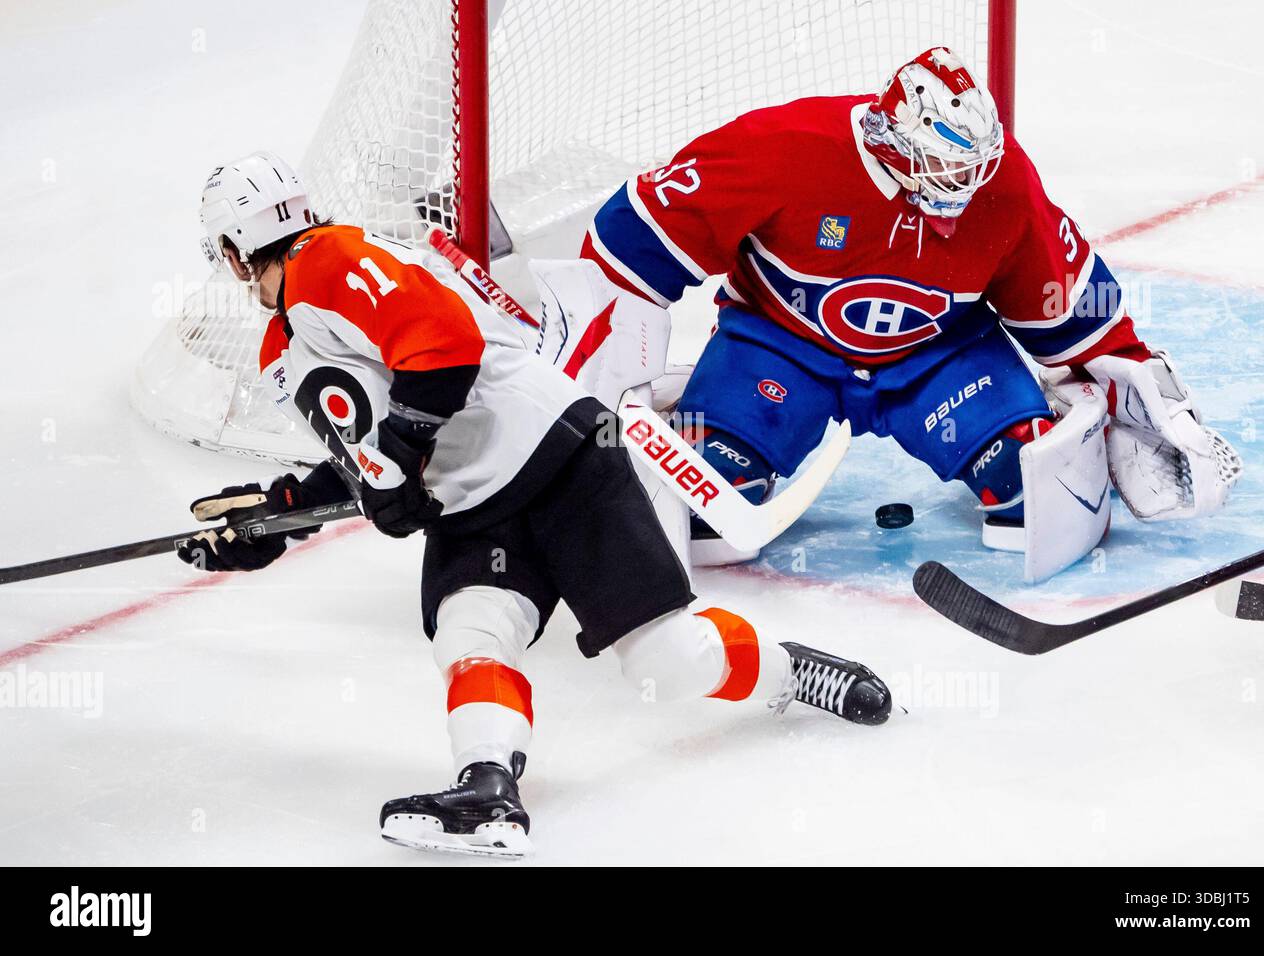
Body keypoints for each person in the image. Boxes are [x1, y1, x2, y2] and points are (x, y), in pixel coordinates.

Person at [178, 151, 892, 858]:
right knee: (472, 633)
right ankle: (488, 789)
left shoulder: (328, 263)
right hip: (474, 502)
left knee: (667, 664)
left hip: (557, 457)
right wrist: (273, 517)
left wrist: (399, 455)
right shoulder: (293, 337)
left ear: (236, 252)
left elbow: (444, 348)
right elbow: (369, 455)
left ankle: (794, 670)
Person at [572, 46, 1242, 582]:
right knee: (702, 506)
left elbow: (1063, 296)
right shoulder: (787, 147)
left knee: (1033, 497)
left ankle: (1023, 435)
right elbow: (634, 235)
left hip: (938, 356)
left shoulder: (999, 183)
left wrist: (1139, 384)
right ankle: (707, 431)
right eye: (944, 168)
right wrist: (598, 375)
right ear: (893, 144)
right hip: (781, 346)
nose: (964, 186)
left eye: (971, 167)